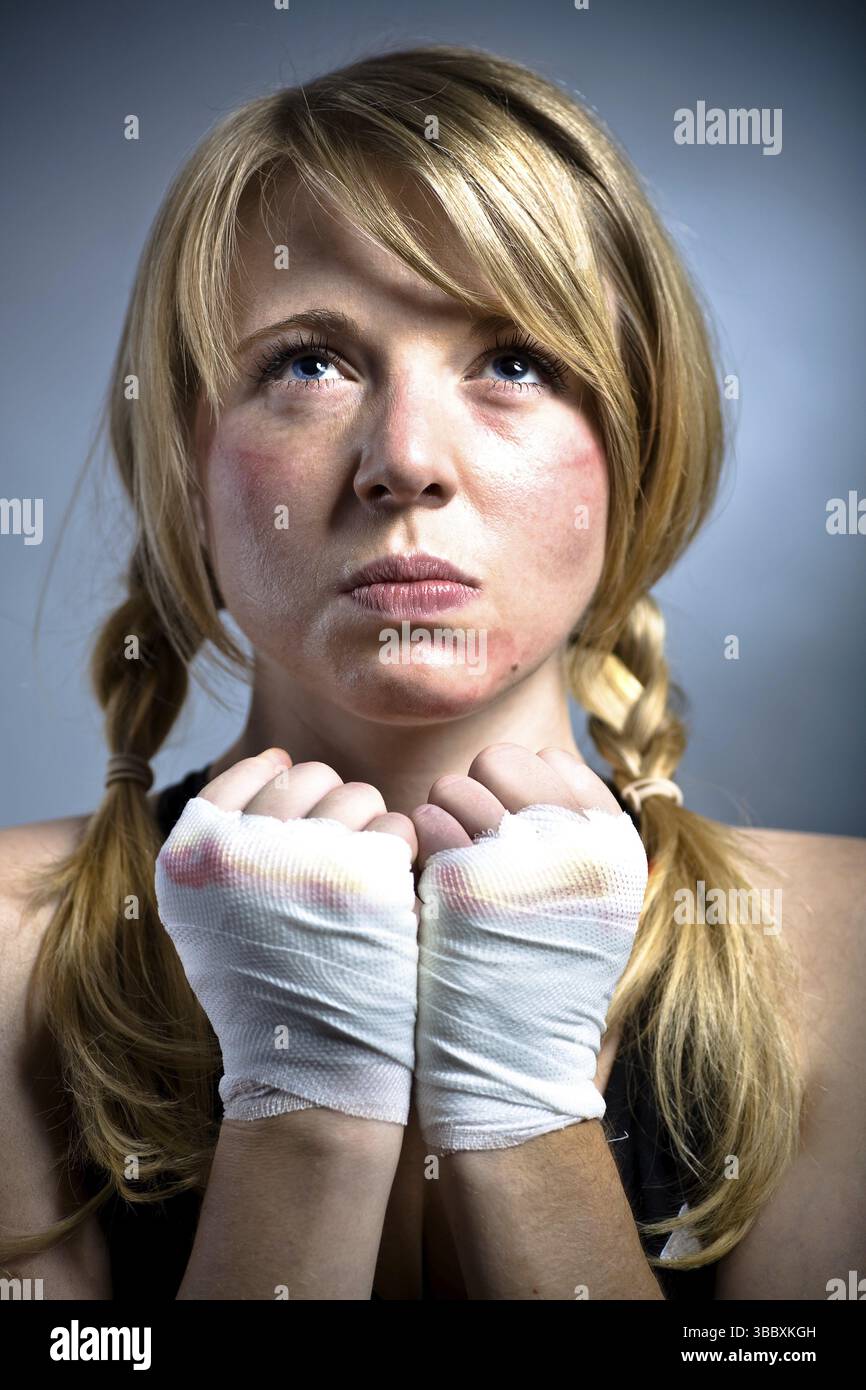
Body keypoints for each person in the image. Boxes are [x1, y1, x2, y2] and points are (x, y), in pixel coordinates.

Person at [1, 45, 863, 1301]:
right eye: (305, 362)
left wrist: (522, 1114)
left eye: (513, 360)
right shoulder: (10, 956)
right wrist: (306, 1112)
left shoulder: (841, 955)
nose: (403, 458)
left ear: (632, 444)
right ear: (191, 466)